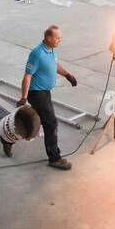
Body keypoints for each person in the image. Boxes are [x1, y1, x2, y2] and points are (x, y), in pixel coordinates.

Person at [18, 24, 78, 170]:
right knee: (51, 124)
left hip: (45, 92)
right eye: (57, 38)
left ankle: (13, 134)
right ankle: (54, 158)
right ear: (48, 38)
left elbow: (55, 65)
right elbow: (27, 76)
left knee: (37, 120)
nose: (60, 40)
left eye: (60, 38)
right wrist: (24, 97)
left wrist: (67, 75)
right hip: (36, 93)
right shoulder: (37, 53)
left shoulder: (51, 50)